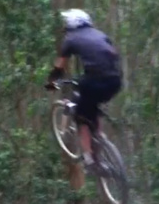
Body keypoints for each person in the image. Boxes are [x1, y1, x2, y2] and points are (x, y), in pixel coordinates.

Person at [46, 9, 122, 170]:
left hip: (94, 82)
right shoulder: (101, 35)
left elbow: (59, 66)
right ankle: (100, 137)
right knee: (92, 107)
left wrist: (51, 82)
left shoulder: (71, 39)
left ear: (72, 24)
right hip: (115, 81)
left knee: (81, 117)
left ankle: (88, 158)